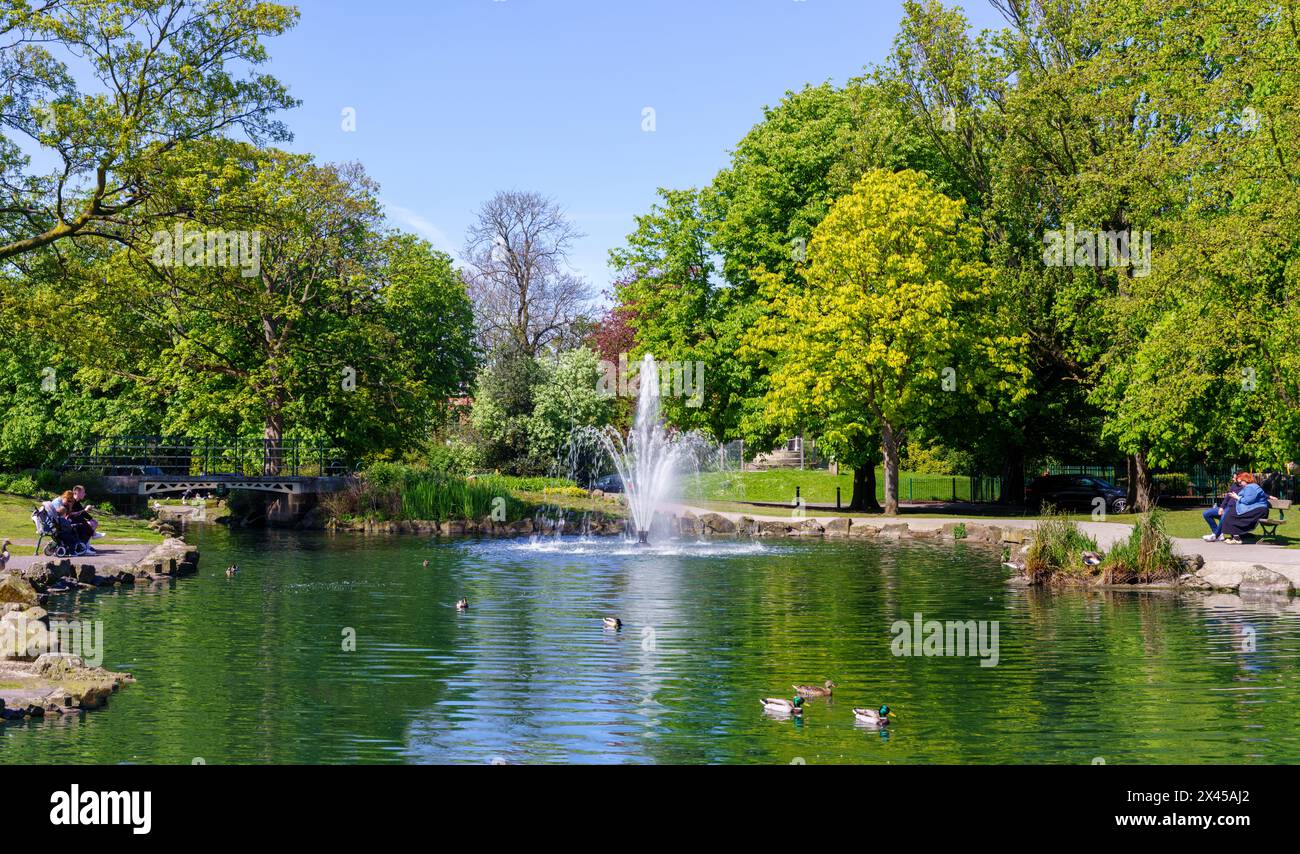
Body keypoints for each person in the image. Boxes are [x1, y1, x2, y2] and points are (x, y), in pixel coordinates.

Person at [1220, 473, 1272, 544]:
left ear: (1246, 480)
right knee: (1231, 513)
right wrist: (1237, 497)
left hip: (1259, 510)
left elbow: (1247, 501)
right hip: (1255, 509)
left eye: (1241, 481)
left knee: (1232, 514)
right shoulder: (1250, 487)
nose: (1240, 483)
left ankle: (1237, 538)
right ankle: (1236, 537)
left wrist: (1237, 497)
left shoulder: (1251, 487)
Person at [1202, 473, 1243, 542]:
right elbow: (1227, 497)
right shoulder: (1234, 485)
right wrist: (1221, 507)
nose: (1233, 479)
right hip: (1227, 507)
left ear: (1239, 478)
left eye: (1234, 478)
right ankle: (1219, 534)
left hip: (1234, 509)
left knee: (1224, 516)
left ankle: (1215, 535)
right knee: (1206, 513)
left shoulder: (1246, 487)